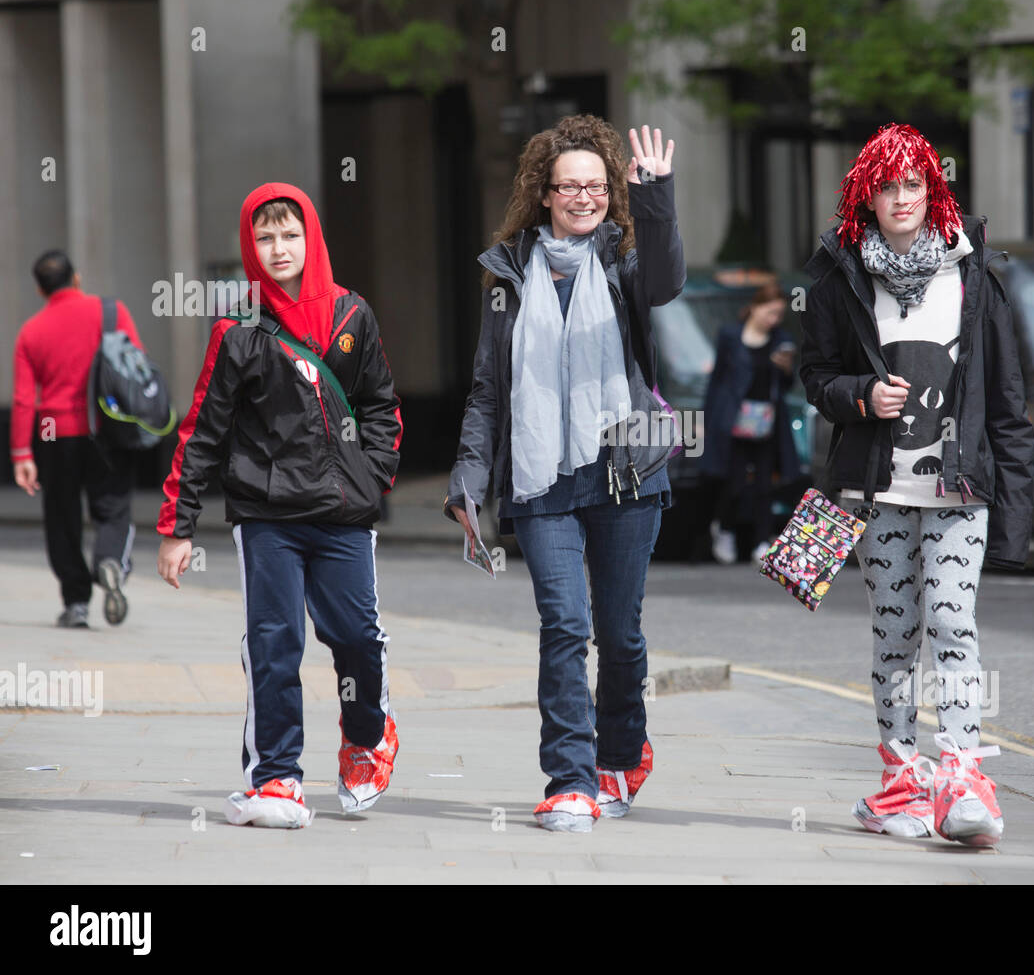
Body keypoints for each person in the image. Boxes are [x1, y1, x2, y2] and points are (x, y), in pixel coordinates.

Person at [445, 116, 684, 832]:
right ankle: (570, 779)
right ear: (543, 194)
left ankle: (620, 750)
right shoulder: (506, 273)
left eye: (596, 185)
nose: (583, 197)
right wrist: (468, 479)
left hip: (624, 471)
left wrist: (658, 198)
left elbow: (668, 281)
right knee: (563, 623)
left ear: (612, 192)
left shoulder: (626, 261)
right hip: (539, 474)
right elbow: (489, 388)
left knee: (621, 633)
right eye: (568, 186)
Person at [801, 123, 1034, 845]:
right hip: (878, 488)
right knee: (895, 635)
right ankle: (903, 780)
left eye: (912, 183)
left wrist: (1016, 520)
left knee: (953, 624)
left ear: (932, 189)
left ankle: (963, 774)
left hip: (959, 491)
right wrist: (861, 396)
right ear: (864, 196)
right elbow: (815, 375)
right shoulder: (839, 276)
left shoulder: (972, 276)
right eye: (886, 185)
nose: (900, 197)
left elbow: (1007, 402)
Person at [156, 183, 403, 829]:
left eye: (289, 234)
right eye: (264, 237)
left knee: (357, 638)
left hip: (344, 513)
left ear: (310, 237)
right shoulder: (237, 331)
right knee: (273, 642)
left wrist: (371, 477)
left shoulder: (353, 316)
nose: (279, 247)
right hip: (267, 517)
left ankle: (368, 736)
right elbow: (202, 432)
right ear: (251, 247)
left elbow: (381, 406)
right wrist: (177, 528)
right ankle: (276, 778)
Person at [10, 251, 140, 628]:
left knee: (62, 517)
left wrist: (21, 453)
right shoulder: (112, 312)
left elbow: (23, 399)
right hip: (108, 429)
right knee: (113, 506)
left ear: (39, 288)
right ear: (77, 278)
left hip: (55, 433)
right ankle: (110, 561)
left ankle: (76, 603)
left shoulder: (31, 331)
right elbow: (136, 364)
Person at [701, 281, 800, 564]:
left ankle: (761, 540)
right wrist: (707, 420)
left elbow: (787, 384)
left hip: (766, 422)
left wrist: (785, 369)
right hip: (733, 420)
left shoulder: (781, 340)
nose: (774, 319)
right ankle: (725, 528)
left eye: (779, 314)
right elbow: (717, 379)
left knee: (764, 484)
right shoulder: (731, 335)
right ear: (756, 308)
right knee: (732, 482)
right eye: (770, 312)